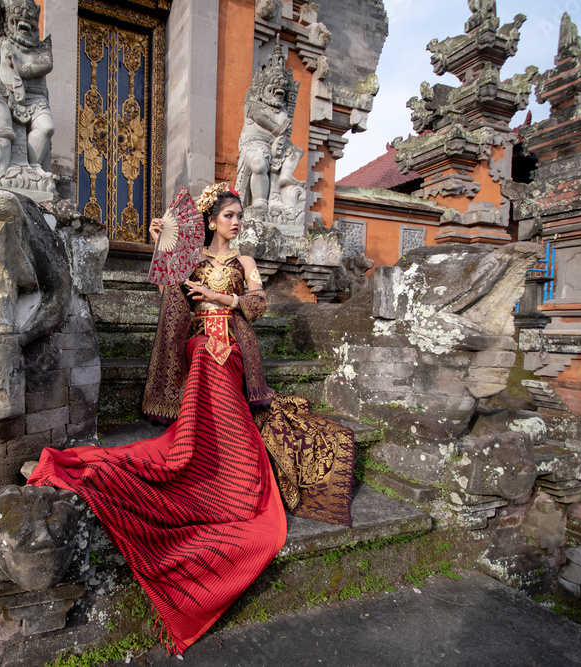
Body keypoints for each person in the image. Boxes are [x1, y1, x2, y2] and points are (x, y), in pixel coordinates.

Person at [27, 182, 354, 653]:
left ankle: (225, 459)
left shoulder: (244, 264)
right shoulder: (193, 259)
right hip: (200, 343)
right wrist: (166, 241)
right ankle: (204, 455)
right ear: (211, 220)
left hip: (235, 344)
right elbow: (168, 285)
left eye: (239, 215)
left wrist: (224, 300)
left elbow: (259, 307)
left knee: (215, 357)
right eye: (228, 216)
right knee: (201, 353)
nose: (236, 222)